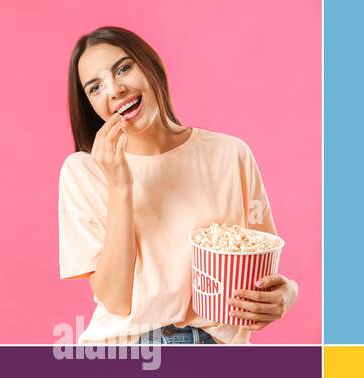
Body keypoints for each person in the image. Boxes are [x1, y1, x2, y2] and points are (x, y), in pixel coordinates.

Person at [59, 26, 299, 345]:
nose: (115, 90)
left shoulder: (230, 155)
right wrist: (121, 187)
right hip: (127, 351)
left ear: (150, 65)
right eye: (95, 87)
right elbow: (116, 300)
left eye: (124, 68)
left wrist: (288, 293)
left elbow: (260, 270)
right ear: (91, 105)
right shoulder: (84, 172)